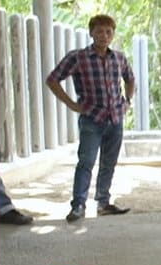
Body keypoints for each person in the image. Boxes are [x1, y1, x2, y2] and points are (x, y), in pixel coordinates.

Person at [46, 14, 134, 223]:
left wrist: (128, 101)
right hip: (91, 119)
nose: (104, 36)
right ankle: (78, 205)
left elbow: (130, 79)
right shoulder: (78, 57)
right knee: (86, 162)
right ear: (91, 33)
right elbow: (53, 79)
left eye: (108, 31)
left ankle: (103, 203)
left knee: (109, 163)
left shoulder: (119, 58)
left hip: (115, 118)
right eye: (99, 31)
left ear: (113, 34)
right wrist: (71, 104)